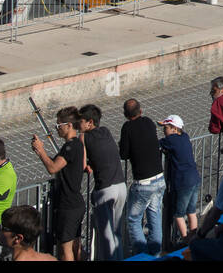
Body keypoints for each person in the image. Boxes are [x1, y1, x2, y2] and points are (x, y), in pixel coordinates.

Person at [32, 106, 87, 261]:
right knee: (76, 245)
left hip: (68, 205)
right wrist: (40, 153)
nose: (56, 129)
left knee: (65, 249)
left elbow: (53, 167)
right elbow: (59, 163)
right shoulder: (76, 145)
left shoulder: (69, 147)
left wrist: (41, 151)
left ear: (69, 126)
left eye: (58, 126)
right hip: (75, 203)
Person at [79, 103, 128, 261]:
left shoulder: (84, 137)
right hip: (120, 185)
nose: (78, 125)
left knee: (106, 236)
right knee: (117, 232)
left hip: (105, 189)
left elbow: (82, 163)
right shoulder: (106, 132)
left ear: (89, 122)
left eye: (80, 121)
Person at [119, 98, 165, 257]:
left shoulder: (127, 128)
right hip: (159, 177)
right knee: (155, 216)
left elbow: (123, 154)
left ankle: (143, 256)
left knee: (133, 219)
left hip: (144, 182)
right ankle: (156, 253)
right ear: (140, 110)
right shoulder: (149, 122)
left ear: (125, 114)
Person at [158, 114, 201, 243]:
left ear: (174, 129)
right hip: (194, 177)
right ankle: (194, 237)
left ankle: (186, 241)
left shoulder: (171, 140)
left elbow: (157, 144)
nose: (163, 131)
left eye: (165, 128)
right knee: (191, 211)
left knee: (178, 214)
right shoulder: (185, 137)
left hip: (183, 181)